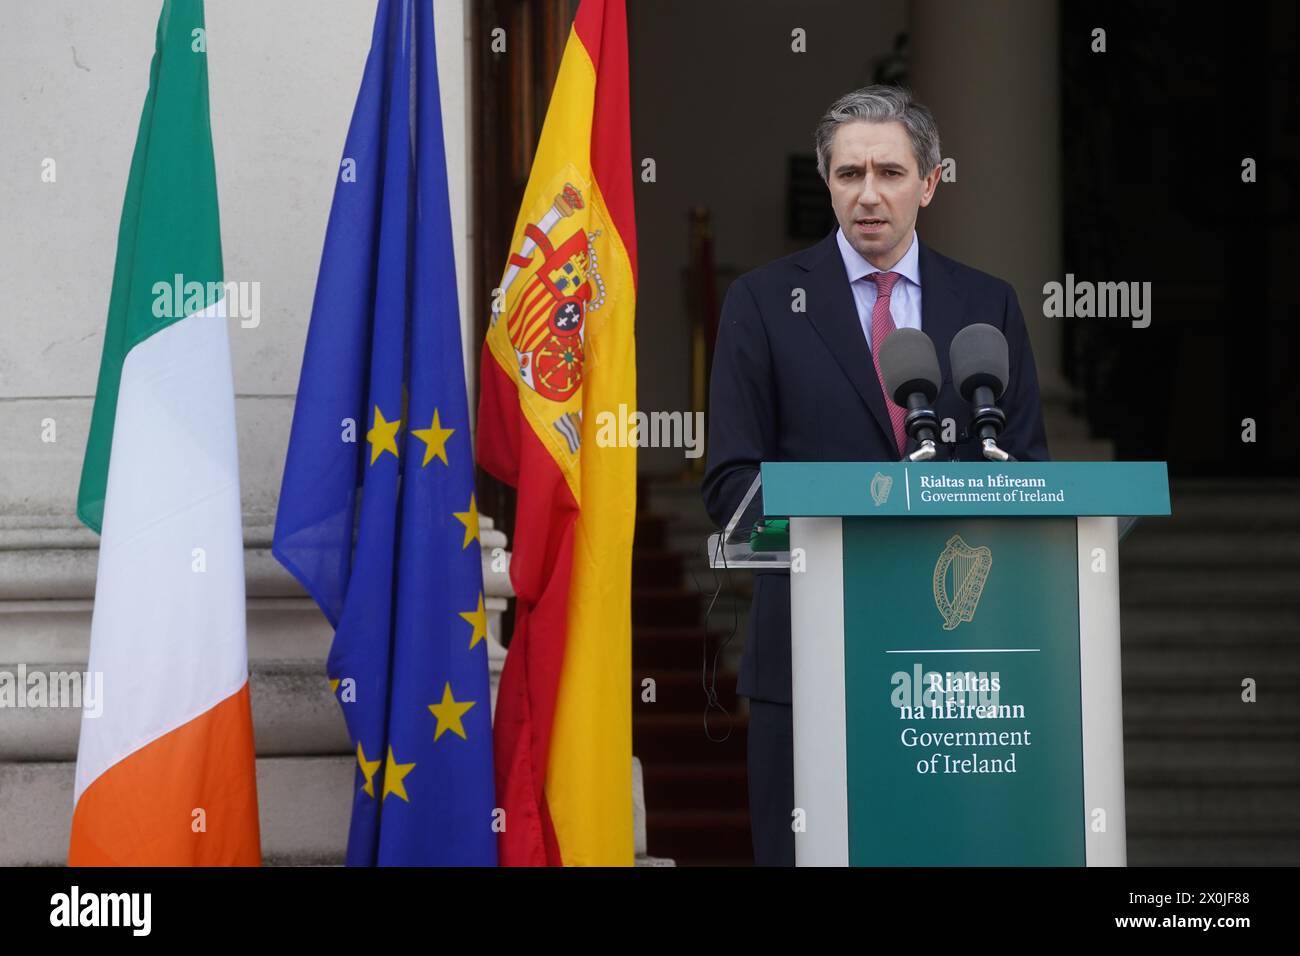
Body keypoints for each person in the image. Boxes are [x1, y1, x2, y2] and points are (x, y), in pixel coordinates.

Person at [701, 85, 1049, 866]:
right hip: (809, 656)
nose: (867, 194)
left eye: (889, 172)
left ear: (929, 183)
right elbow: (730, 486)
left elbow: (1028, 473)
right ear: (827, 182)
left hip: (958, 662)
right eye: (848, 172)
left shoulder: (987, 304)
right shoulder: (762, 304)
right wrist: (863, 505)